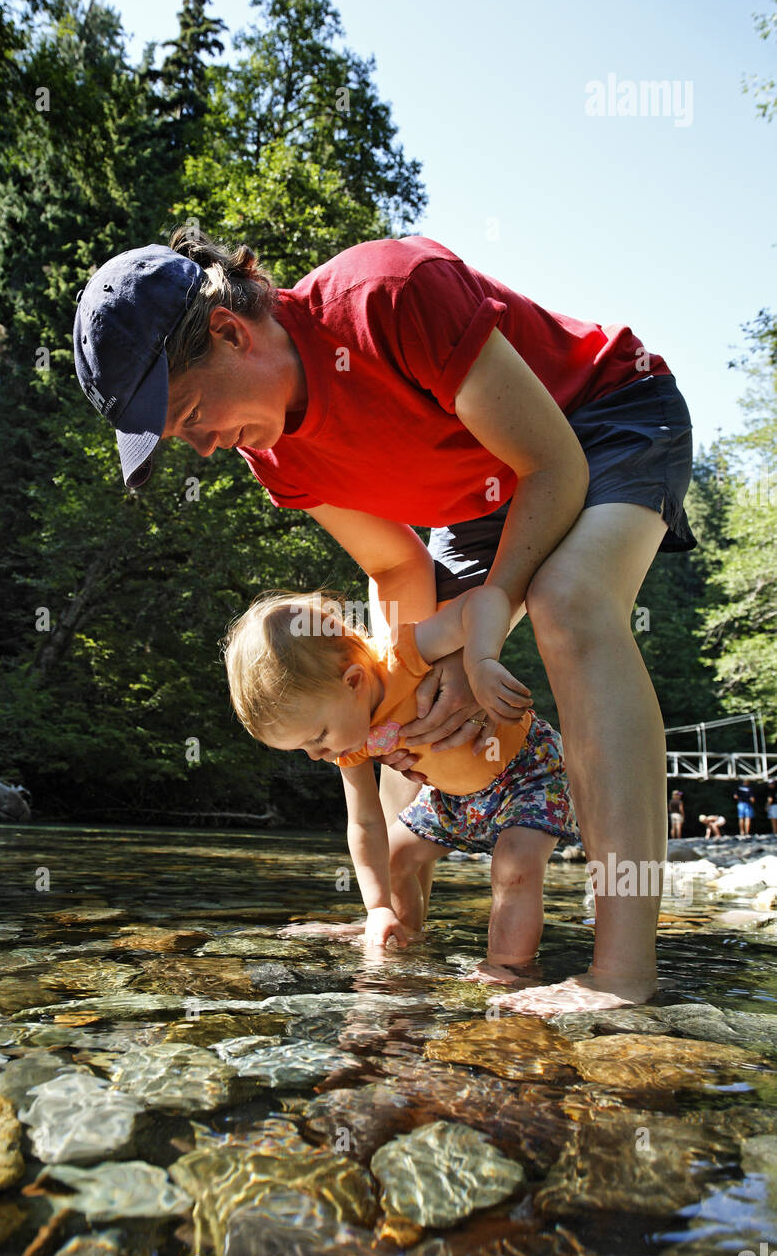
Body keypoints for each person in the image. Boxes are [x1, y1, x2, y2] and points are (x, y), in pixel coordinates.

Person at [73, 228, 698, 1014]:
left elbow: (553, 466)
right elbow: (397, 567)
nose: (201, 447)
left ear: (231, 332)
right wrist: (432, 675)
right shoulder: (272, 453)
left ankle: (623, 972)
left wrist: (486, 624)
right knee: (408, 701)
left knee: (566, 606)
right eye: (180, 437)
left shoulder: (389, 296)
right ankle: (399, 920)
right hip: (480, 498)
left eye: (193, 414)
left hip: (602, 421)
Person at [223, 589, 579, 985]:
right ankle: (404, 933)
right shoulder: (348, 745)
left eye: (319, 737)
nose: (317, 755)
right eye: (304, 748)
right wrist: (377, 909)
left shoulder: (404, 657)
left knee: (514, 868)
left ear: (354, 681)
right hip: (453, 800)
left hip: (526, 773)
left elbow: (484, 601)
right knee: (394, 860)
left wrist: (478, 661)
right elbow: (365, 824)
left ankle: (507, 968)